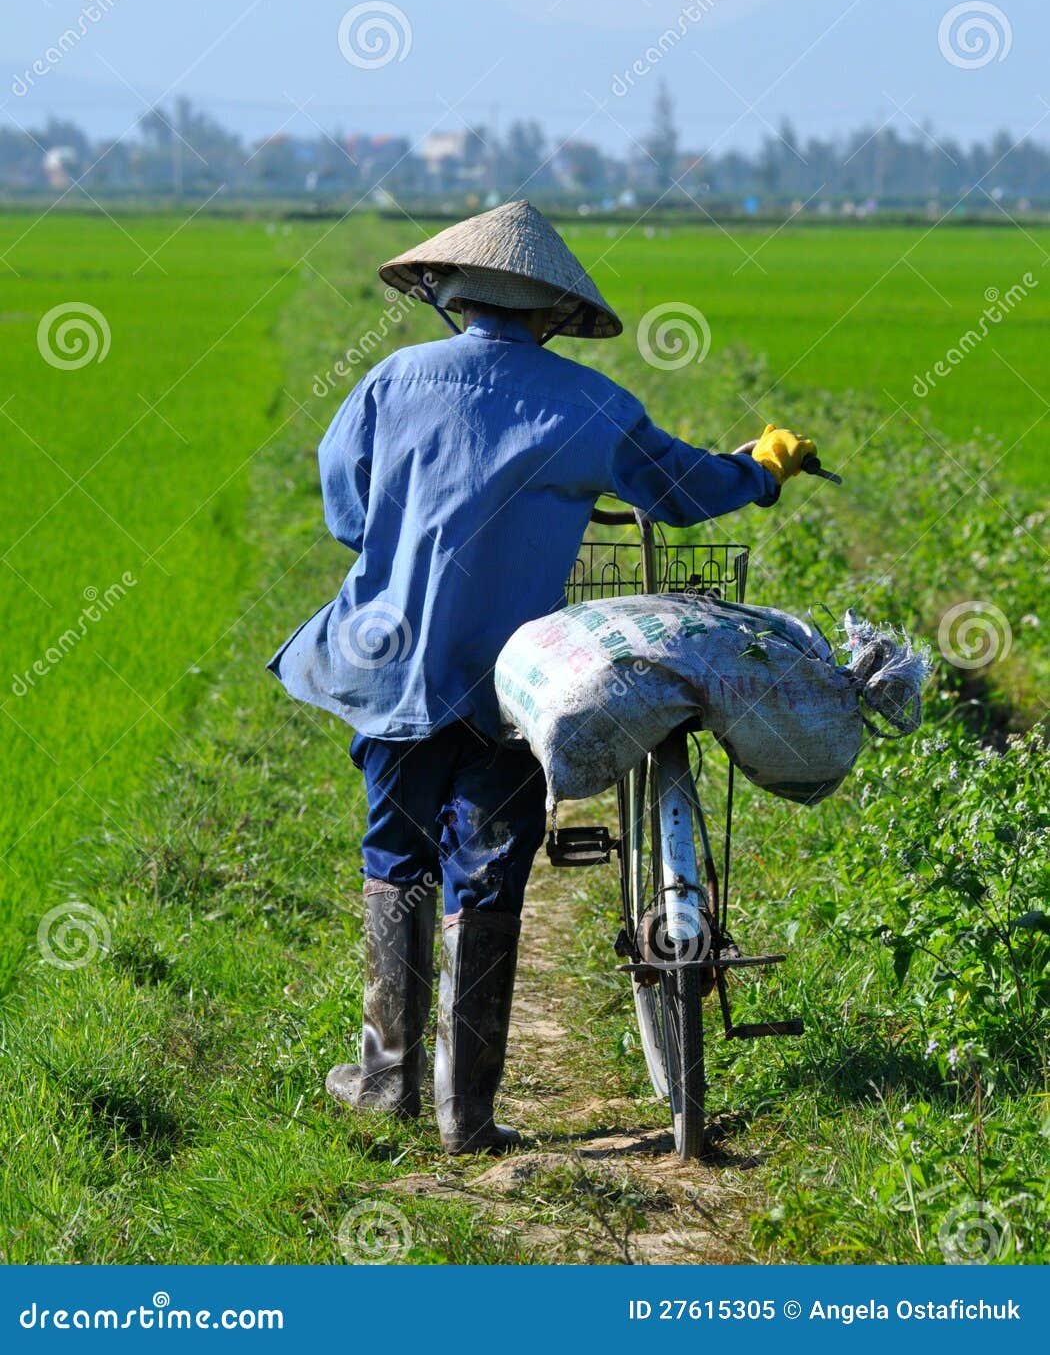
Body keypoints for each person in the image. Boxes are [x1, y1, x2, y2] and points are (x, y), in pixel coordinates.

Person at [268, 200, 816, 1154]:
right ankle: (465, 1114)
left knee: (395, 855)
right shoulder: (590, 405)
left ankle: (387, 1080)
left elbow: (346, 512)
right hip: (511, 684)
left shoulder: (392, 380)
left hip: (391, 663)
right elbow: (681, 490)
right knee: (487, 872)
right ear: (551, 313)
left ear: (456, 297)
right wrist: (761, 469)